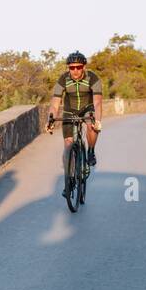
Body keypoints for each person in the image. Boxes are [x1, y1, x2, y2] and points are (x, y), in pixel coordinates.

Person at [47, 51, 103, 198]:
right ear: (68, 68)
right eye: (72, 68)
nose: (75, 70)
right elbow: (54, 103)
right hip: (69, 111)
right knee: (68, 144)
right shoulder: (63, 79)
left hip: (87, 108)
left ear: (83, 66)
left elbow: (97, 102)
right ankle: (69, 180)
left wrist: (97, 120)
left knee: (91, 125)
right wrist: (50, 119)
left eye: (78, 67)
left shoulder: (93, 78)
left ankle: (90, 150)